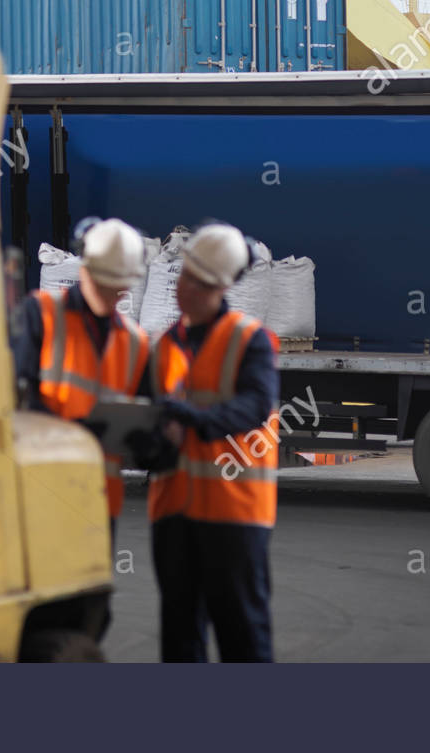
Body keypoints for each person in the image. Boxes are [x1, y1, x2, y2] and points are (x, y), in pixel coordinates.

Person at [145, 223, 280, 663]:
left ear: (219, 287)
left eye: (194, 280)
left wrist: (191, 418)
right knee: (179, 638)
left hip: (232, 514)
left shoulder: (249, 340)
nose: (182, 287)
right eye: (184, 274)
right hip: (173, 513)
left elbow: (253, 408)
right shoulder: (166, 344)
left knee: (242, 635)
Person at [11, 217, 150, 531]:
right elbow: (16, 397)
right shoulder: (42, 314)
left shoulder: (134, 341)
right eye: (104, 281)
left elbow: (144, 420)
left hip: (99, 502)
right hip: (41, 490)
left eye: (119, 286)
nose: (112, 293)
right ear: (84, 269)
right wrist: (83, 429)